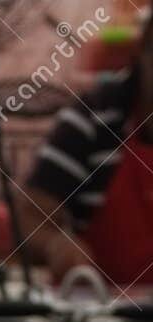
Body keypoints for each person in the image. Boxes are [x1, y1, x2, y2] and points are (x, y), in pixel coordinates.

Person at [25, 12, 153, 289]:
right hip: (97, 319)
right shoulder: (94, 118)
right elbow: (29, 218)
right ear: (143, 52)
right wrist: (55, 244)